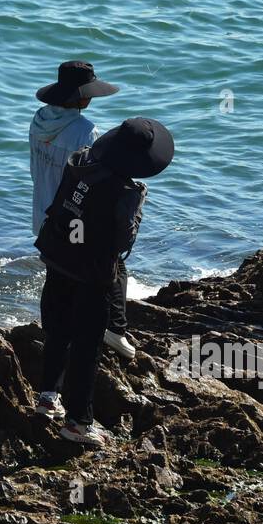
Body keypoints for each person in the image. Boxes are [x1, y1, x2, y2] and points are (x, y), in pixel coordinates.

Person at [35, 118, 174, 446]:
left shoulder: (80, 160)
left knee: (57, 331)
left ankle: (46, 398)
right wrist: (137, 208)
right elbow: (123, 241)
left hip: (58, 256)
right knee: (86, 347)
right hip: (91, 273)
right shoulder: (126, 191)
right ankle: (77, 424)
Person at [30, 61, 136, 361]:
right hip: (73, 218)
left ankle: (54, 333)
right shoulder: (85, 130)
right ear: (81, 97)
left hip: (43, 214)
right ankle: (115, 329)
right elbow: (90, 180)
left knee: (57, 275)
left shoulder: (38, 120)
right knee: (113, 265)